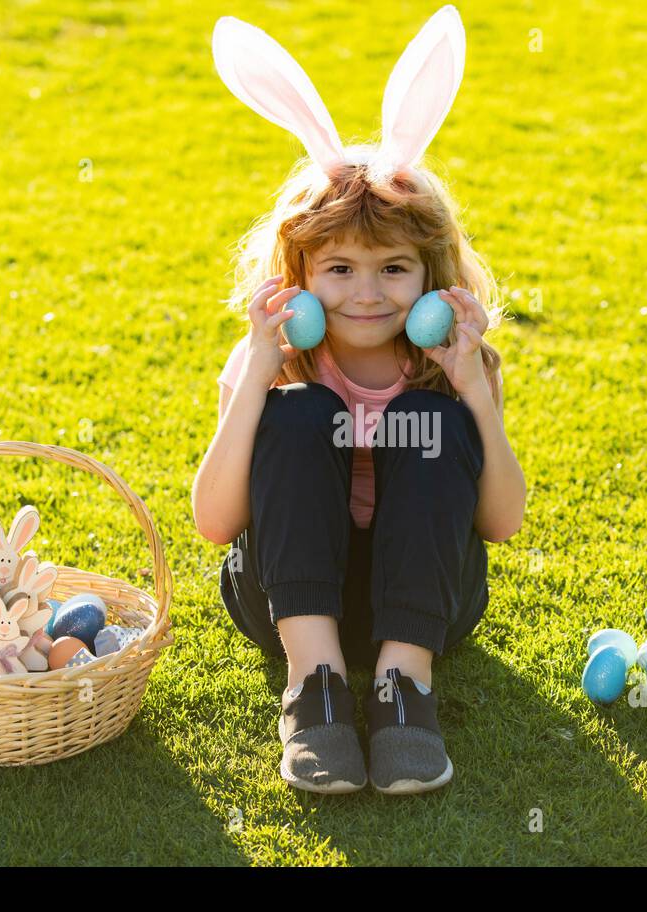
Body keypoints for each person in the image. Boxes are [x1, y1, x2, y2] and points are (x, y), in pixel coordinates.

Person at [193, 6, 526, 795]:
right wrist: (260, 377)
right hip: (290, 593)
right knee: (302, 409)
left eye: (393, 270)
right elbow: (214, 522)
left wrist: (474, 391)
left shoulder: (452, 363)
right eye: (338, 270)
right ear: (299, 276)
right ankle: (316, 688)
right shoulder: (276, 357)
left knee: (431, 420)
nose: (367, 295)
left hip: (424, 601)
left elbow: (502, 523)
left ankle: (404, 689)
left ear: (431, 273)